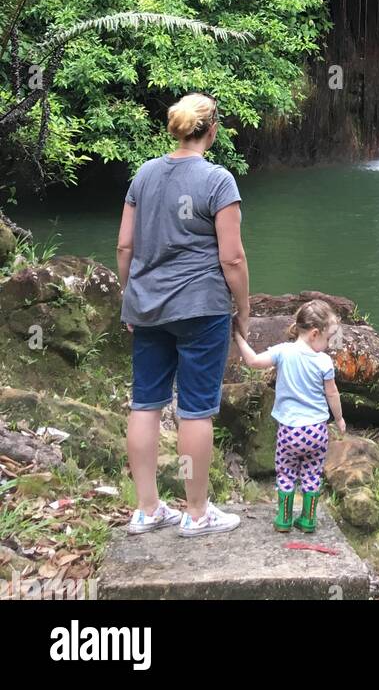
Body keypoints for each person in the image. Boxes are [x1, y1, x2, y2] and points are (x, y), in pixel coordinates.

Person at [116, 92, 250, 537]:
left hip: (148, 307)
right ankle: (196, 514)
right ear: (211, 131)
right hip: (201, 307)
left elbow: (125, 247)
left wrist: (129, 297)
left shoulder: (144, 174)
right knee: (195, 411)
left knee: (146, 403)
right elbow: (232, 259)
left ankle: (148, 509)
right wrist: (243, 311)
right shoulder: (218, 181)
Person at [234, 300, 345, 533]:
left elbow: (253, 361)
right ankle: (308, 520)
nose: (328, 344)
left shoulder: (283, 352)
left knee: (286, 472)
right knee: (312, 473)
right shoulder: (324, 361)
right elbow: (332, 393)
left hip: (290, 431)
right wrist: (340, 419)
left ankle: (284, 519)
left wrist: (238, 337)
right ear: (315, 334)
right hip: (317, 431)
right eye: (328, 338)